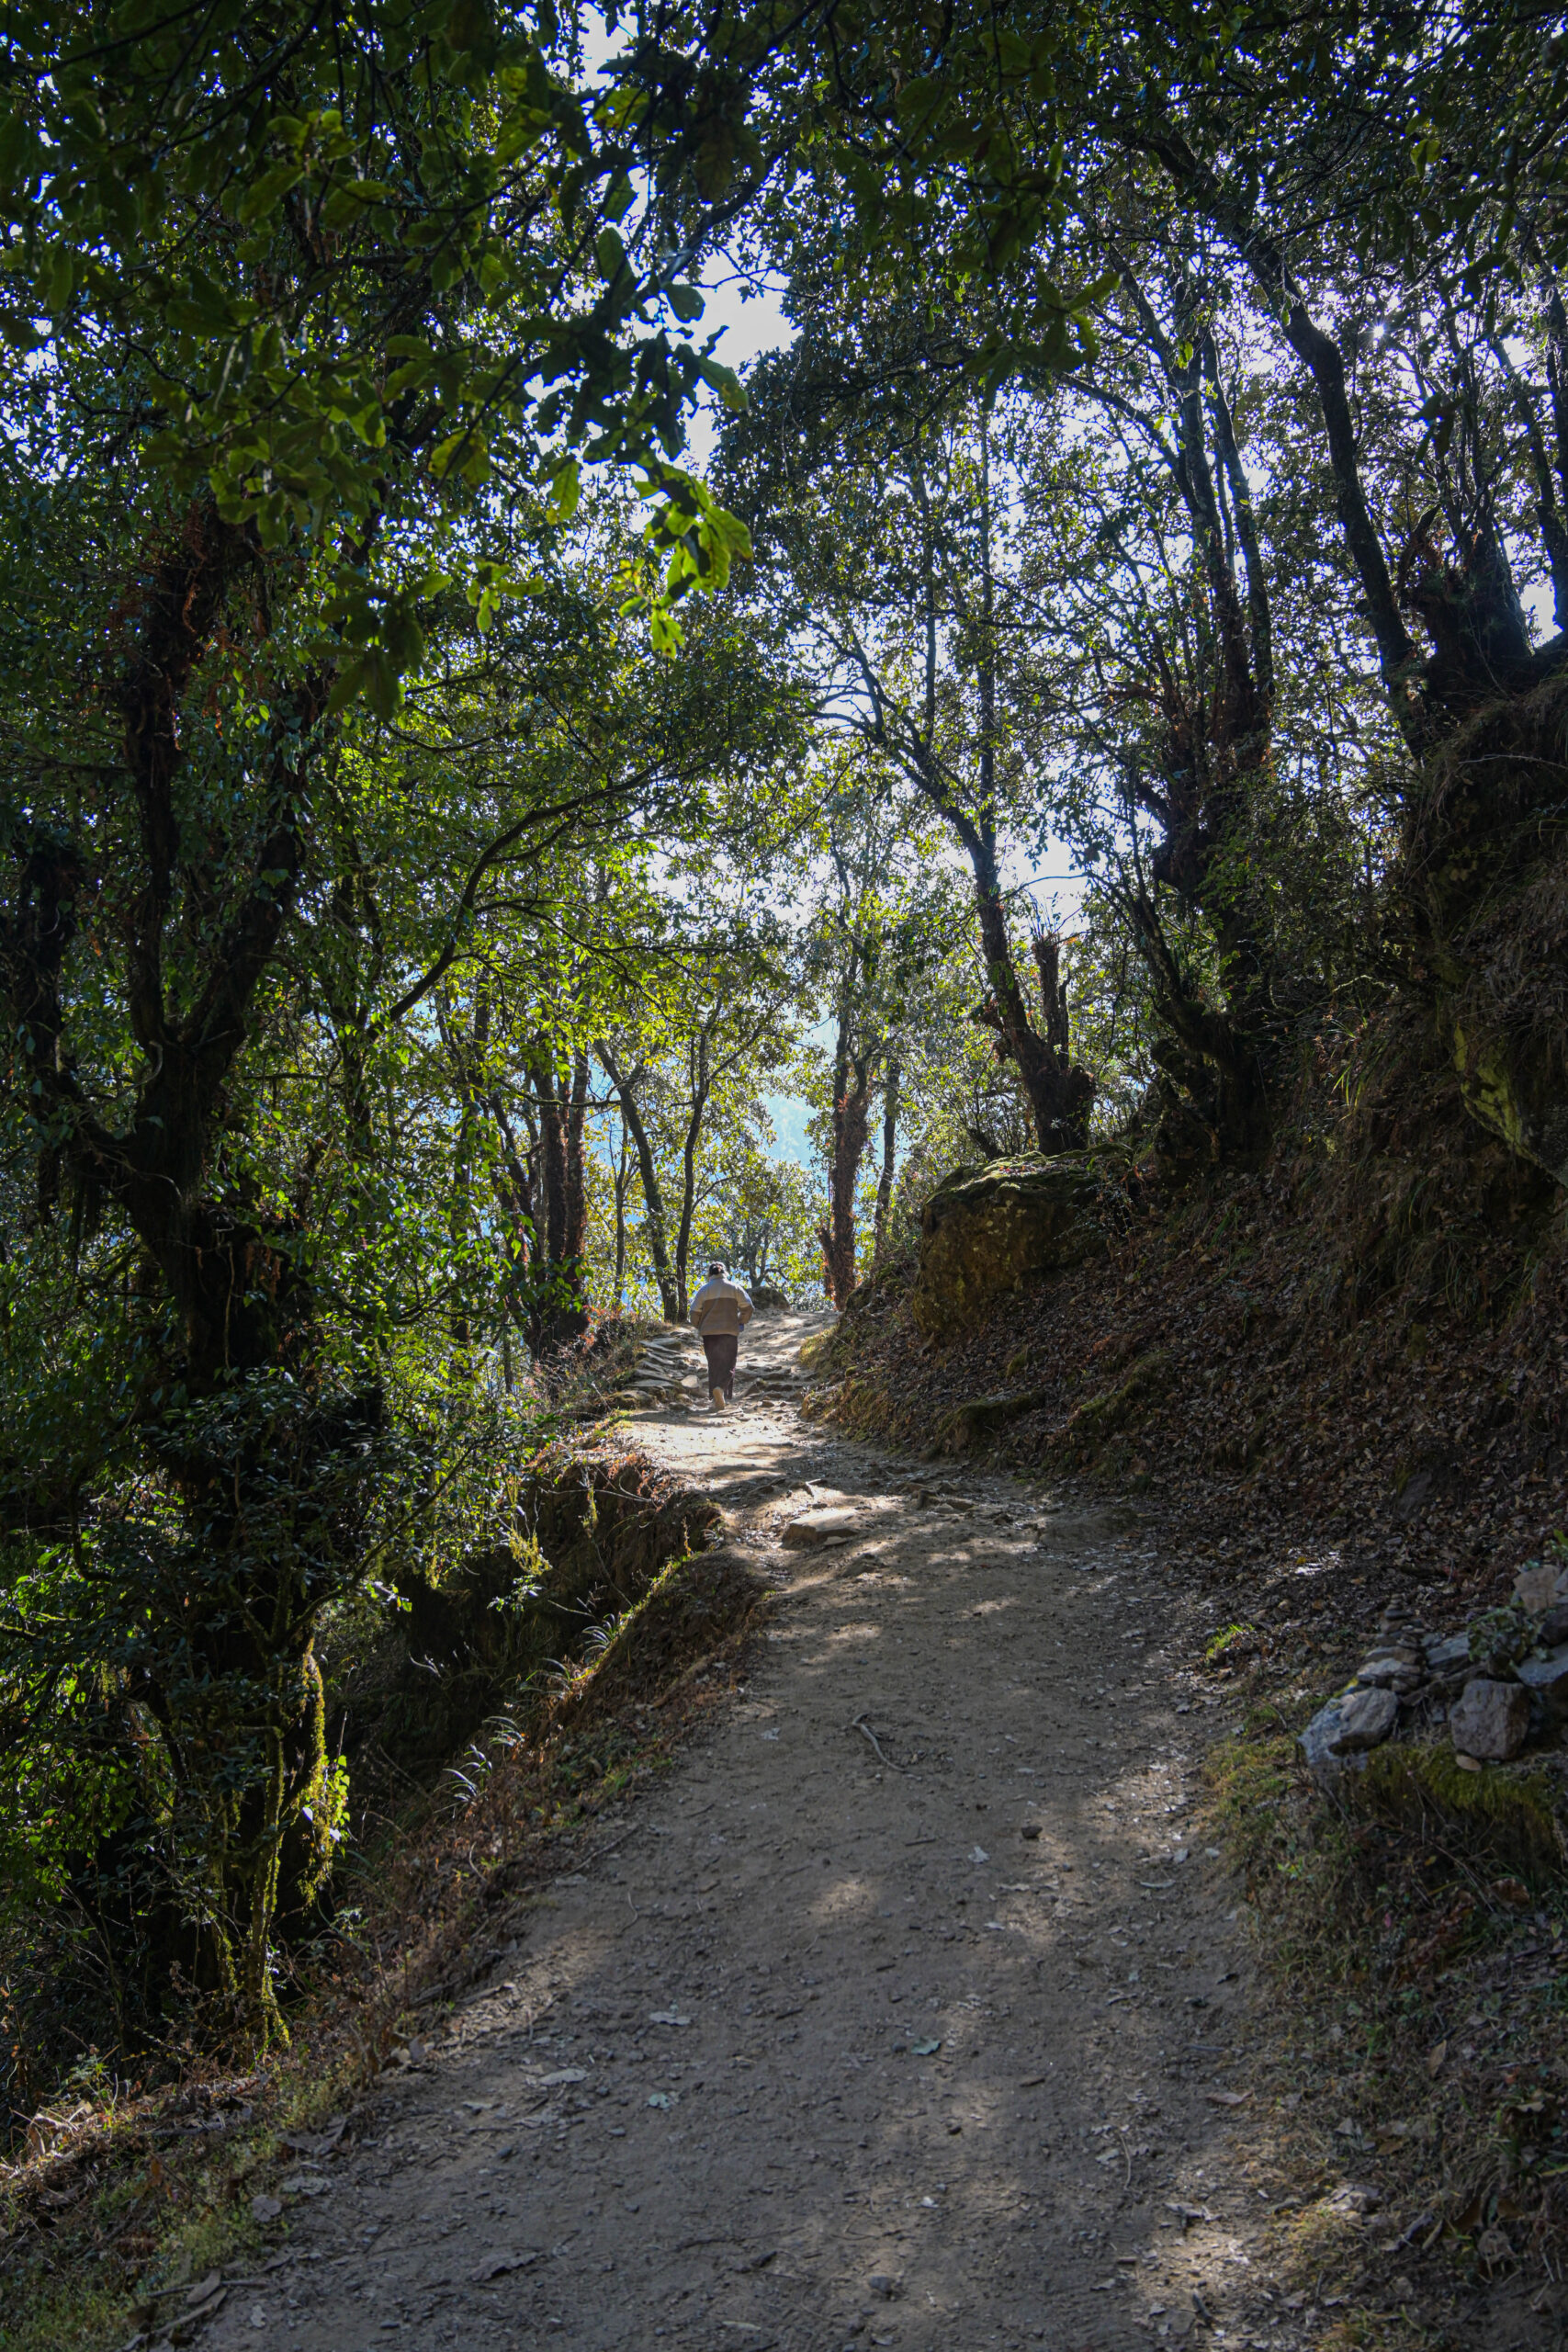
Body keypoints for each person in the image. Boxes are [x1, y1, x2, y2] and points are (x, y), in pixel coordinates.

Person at [689, 1261, 753, 1410]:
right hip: (729, 1332)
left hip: (709, 1334)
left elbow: (693, 1313)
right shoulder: (734, 1288)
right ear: (724, 1272)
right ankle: (721, 1389)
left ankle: (715, 1398)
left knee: (714, 1364)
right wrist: (740, 1321)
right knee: (729, 1364)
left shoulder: (704, 1290)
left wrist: (700, 1325)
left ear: (709, 1274)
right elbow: (748, 1307)